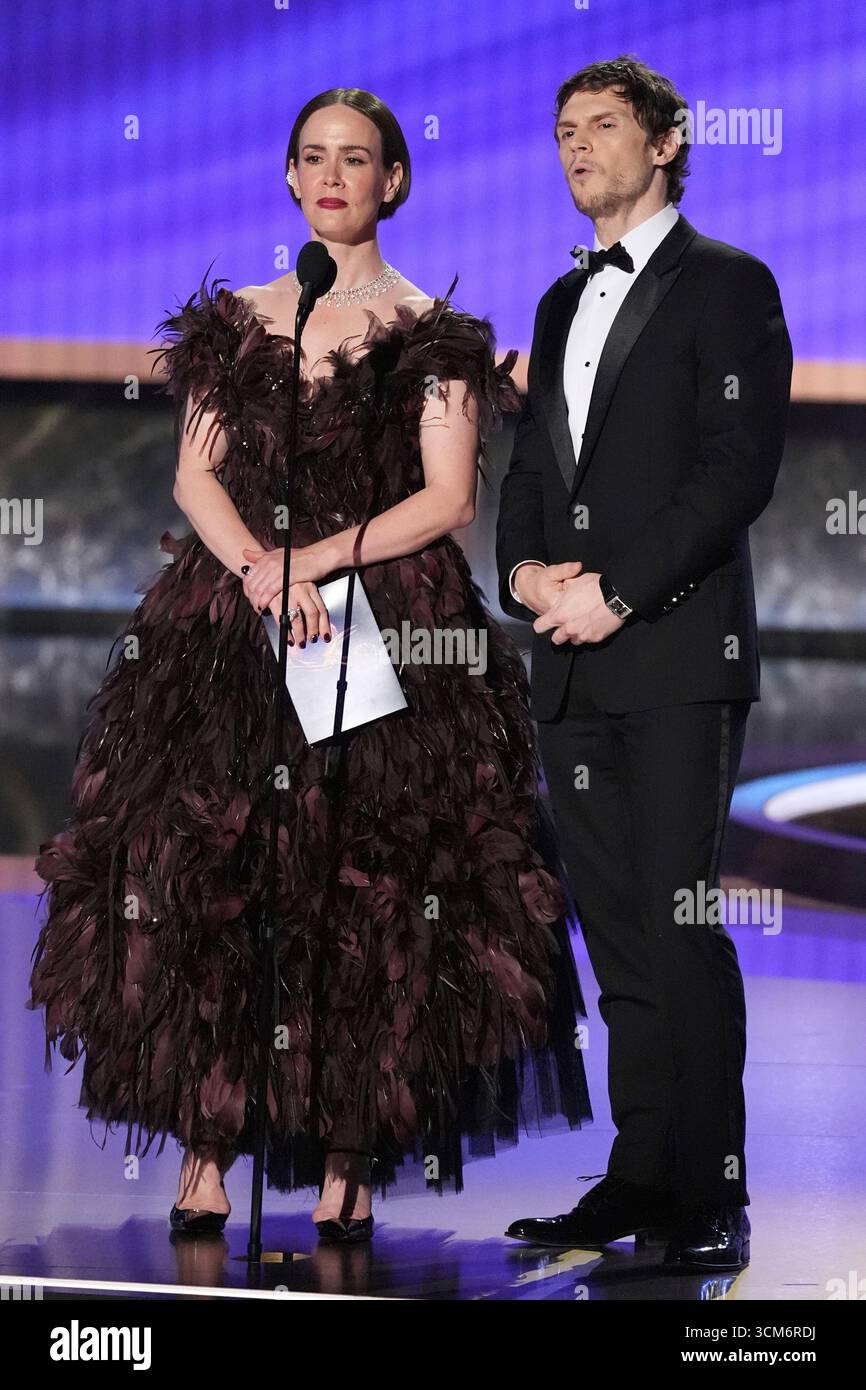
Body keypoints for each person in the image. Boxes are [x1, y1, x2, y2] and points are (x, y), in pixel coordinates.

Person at [27, 87, 592, 1244]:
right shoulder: (239, 321)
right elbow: (197, 476)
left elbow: (445, 498)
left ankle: (352, 1152)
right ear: (289, 179)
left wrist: (316, 562)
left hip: (385, 622)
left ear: (394, 180)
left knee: (368, 880)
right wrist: (256, 571)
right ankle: (207, 1139)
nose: (333, 176)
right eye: (313, 158)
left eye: (358, 159)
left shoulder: (431, 334)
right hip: (235, 626)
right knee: (215, 873)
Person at [496, 56, 792, 1270]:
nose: (576, 146)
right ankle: (635, 1174)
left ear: (667, 141)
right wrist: (520, 579)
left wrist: (616, 592)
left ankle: (707, 1190)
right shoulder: (560, 302)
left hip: (673, 652)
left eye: (602, 126)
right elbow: (529, 474)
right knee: (613, 933)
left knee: (678, 926)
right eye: (563, 129)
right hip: (567, 662)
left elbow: (736, 471)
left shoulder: (728, 284)